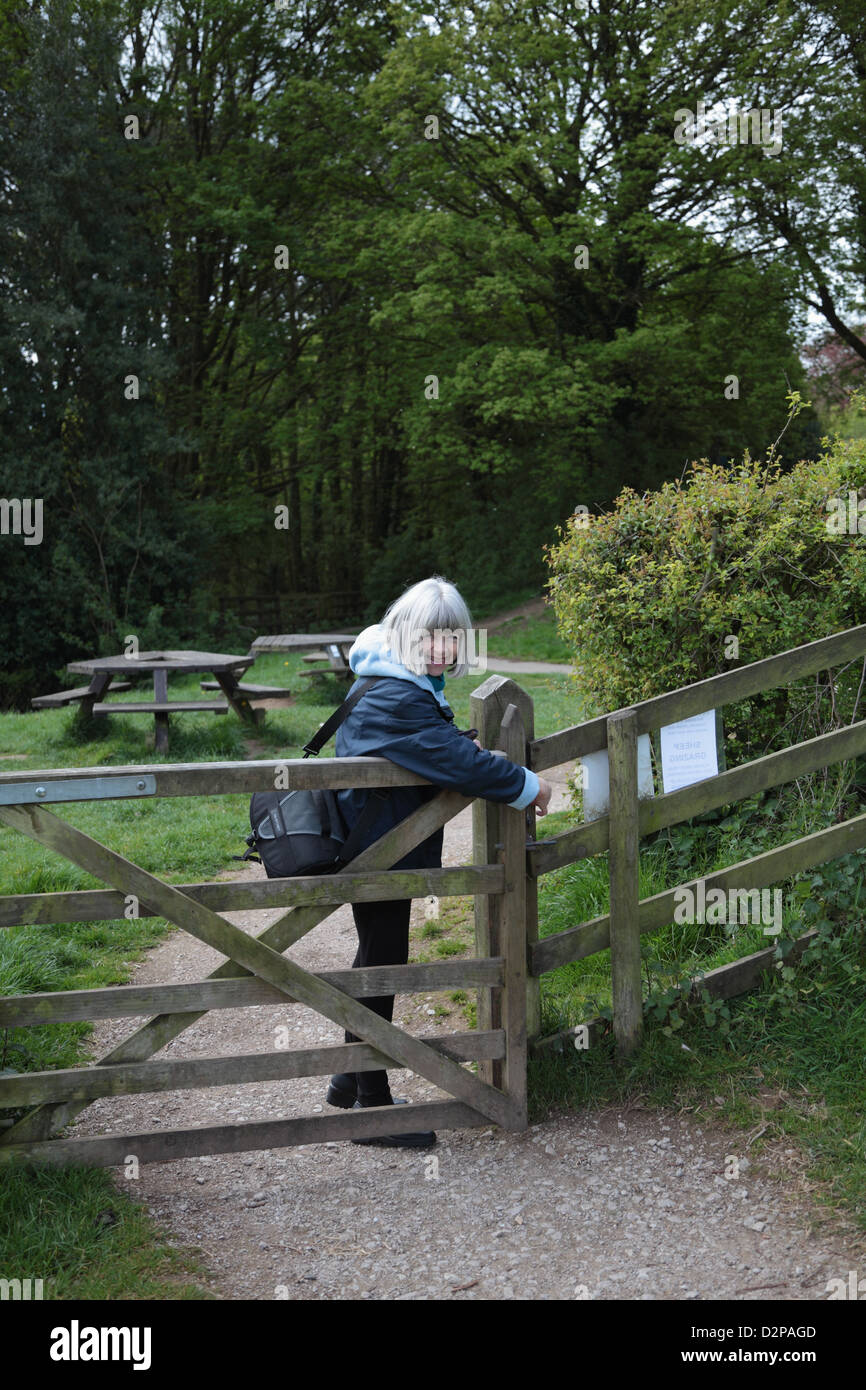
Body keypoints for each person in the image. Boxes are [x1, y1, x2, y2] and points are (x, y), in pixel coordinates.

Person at [325, 575, 552, 1148]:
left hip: (377, 842)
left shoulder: (396, 677)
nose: (443, 652)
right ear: (407, 633)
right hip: (379, 850)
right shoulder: (399, 694)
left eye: (452, 639)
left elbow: (437, 744)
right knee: (382, 962)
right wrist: (530, 785)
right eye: (432, 639)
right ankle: (370, 1109)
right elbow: (455, 759)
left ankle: (350, 1081)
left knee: (376, 956)